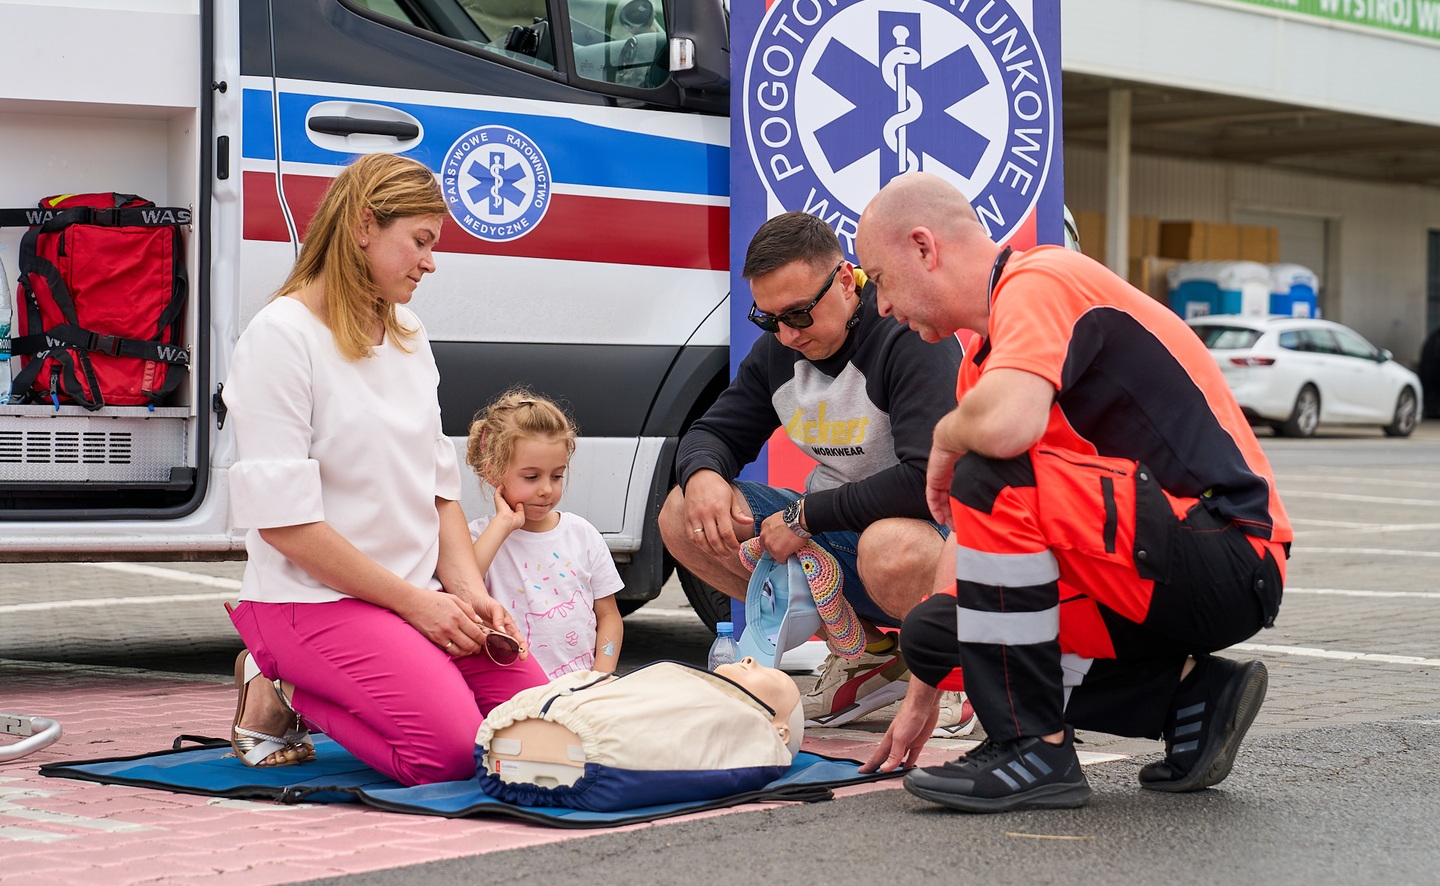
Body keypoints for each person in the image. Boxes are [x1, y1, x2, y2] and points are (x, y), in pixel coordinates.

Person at [854, 173, 1291, 812]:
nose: (882, 307)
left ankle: (1033, 749)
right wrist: (924, 697)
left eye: (880, 279)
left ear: (924, 247)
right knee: (937, 632)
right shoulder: (983, 359)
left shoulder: (1042, 280)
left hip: (1227, 550)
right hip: (1145, 564)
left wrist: (950, 437)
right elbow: (976, 547)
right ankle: (1190, 697)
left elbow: (1005, 435)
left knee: (989, 466)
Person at [223, 152, 547, 786]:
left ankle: (375, 675)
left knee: (537, 730)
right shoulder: (279, 337)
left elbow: (440, 494)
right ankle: (279, 685)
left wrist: (471, 598)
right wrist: (418, 607)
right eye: (420, 241)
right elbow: (286, 527)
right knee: (449, 756)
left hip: (409, 598)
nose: (431, 261)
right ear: (364, 226)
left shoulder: (407, 331)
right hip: (309, 601)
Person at [658, 210, 971, 732]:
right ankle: (866, 653)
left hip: (932, 533)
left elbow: (928, 482)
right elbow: (710, 434)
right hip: (836, 527)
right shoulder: (780, 350)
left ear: (846, 281)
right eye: (768, 318)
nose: (786, 334)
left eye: (799, 314)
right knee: (679, 515)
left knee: (890, 547)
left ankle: (956, 664)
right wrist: (703, 475)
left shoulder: (907, 334)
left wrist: (805, 516)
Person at [475, 657, 804, 811]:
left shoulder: (753, 729)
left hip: (592, 750)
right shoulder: (680, 681)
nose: (751, 660)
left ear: (780, 731)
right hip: (569, 727)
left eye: (771, 675)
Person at [465, 387, 625, 678]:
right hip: (510, 694)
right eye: (531, 476)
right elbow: (463, 588)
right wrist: (502, 525)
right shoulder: (478, 537)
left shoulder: (582, 535)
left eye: (557, 475)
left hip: (579, 692)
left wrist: (601, 675)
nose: (546, 489)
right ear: (492, 471)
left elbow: (609, 616)